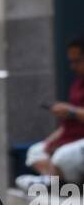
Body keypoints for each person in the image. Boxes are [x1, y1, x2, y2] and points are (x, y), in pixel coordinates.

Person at [16, 35, 84, 187]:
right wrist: (52, 141)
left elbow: (74, 113)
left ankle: (54, 184)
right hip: (73, 139)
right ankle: (53, 183)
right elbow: (66, 127)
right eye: (71, 62)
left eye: (77, 61)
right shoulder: (77, 84)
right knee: (36, 151)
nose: (73, 67)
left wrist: (71, 111)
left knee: (62, 157)